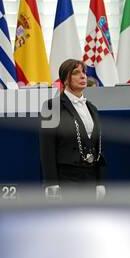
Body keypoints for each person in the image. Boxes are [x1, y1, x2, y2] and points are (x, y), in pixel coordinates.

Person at [41, 59, 105, 190]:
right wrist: (51, 183)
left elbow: (98, 146)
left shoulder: (92, 108)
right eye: (76, 72)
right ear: (65, 79)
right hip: (66, 179)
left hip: (91, 177)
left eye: (84, 72)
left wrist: (100, 181)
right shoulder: (51, 106)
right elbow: (47, 148)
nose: (83, 76)